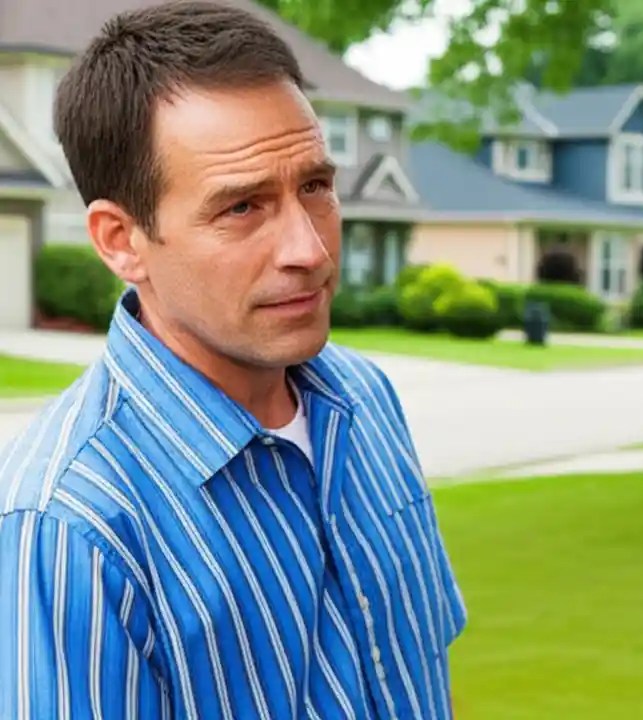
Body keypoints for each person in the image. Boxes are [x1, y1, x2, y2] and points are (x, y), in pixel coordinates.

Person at [0, 2, 466, 717]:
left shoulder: (366, 403)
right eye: (242, 207)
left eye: (315, 186)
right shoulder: (70, 525)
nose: (309, 250)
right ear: (120, 240)